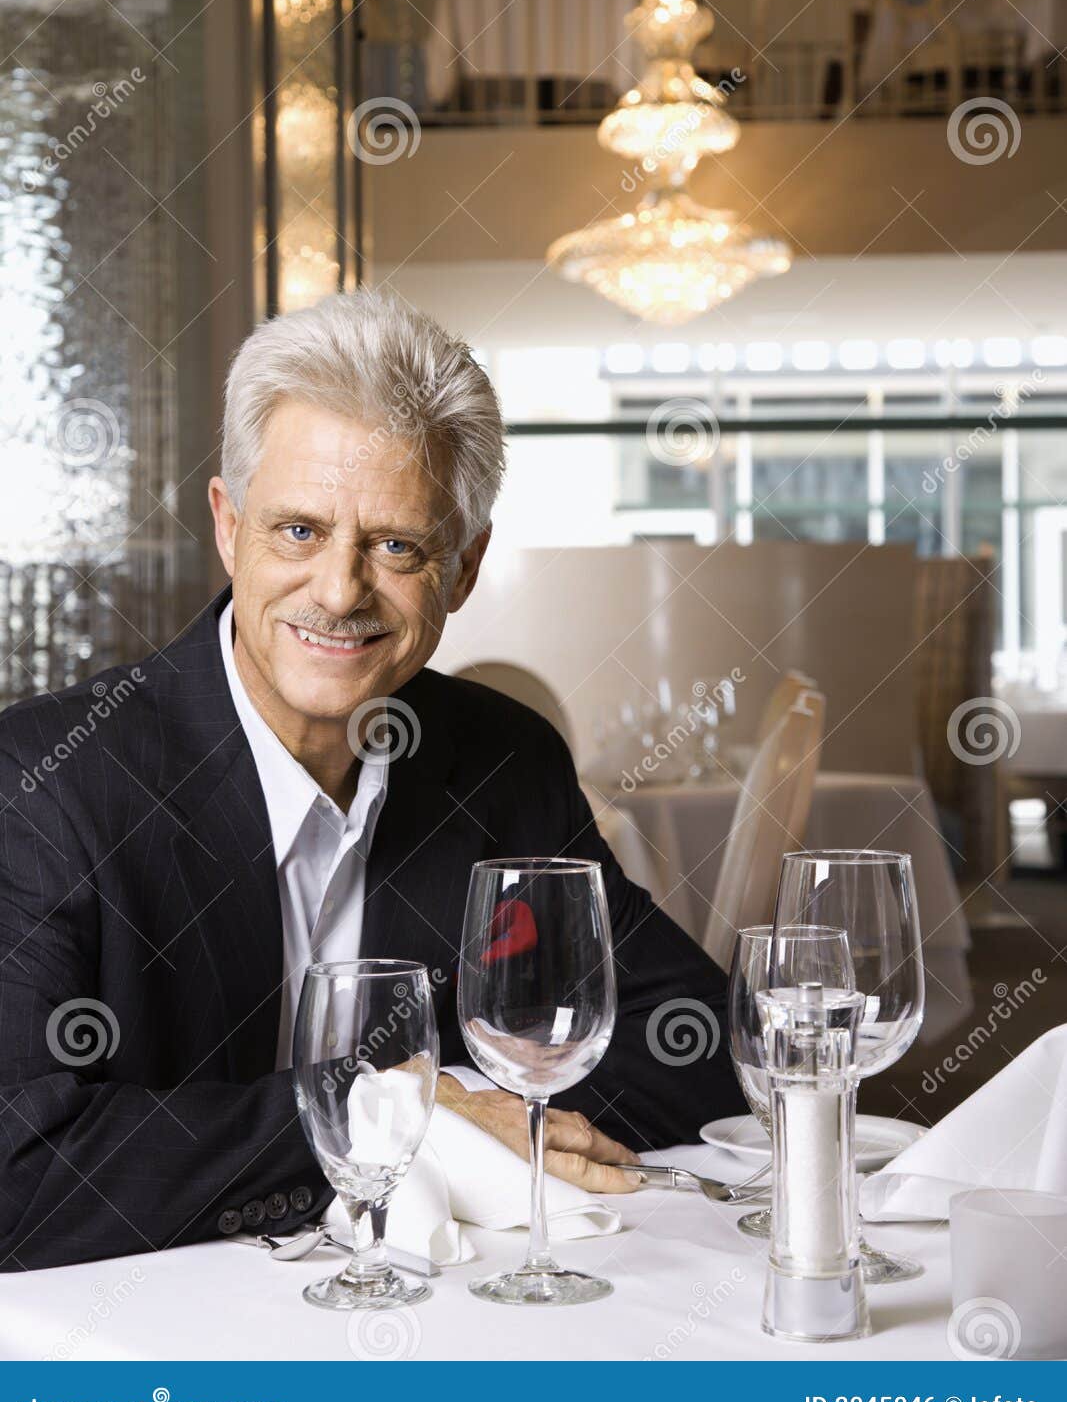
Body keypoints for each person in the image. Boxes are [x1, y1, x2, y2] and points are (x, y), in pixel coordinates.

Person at [0, 289, 739, 1270]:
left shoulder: (503, 759)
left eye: (396, 546)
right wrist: (389, 1112)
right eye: (298, 531)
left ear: (463, 569)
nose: (340, 591)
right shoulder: (46, 784)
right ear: (228, 525)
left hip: (442, 1306)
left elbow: (693, 1045)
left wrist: (464, 1122)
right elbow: (18, 1173)